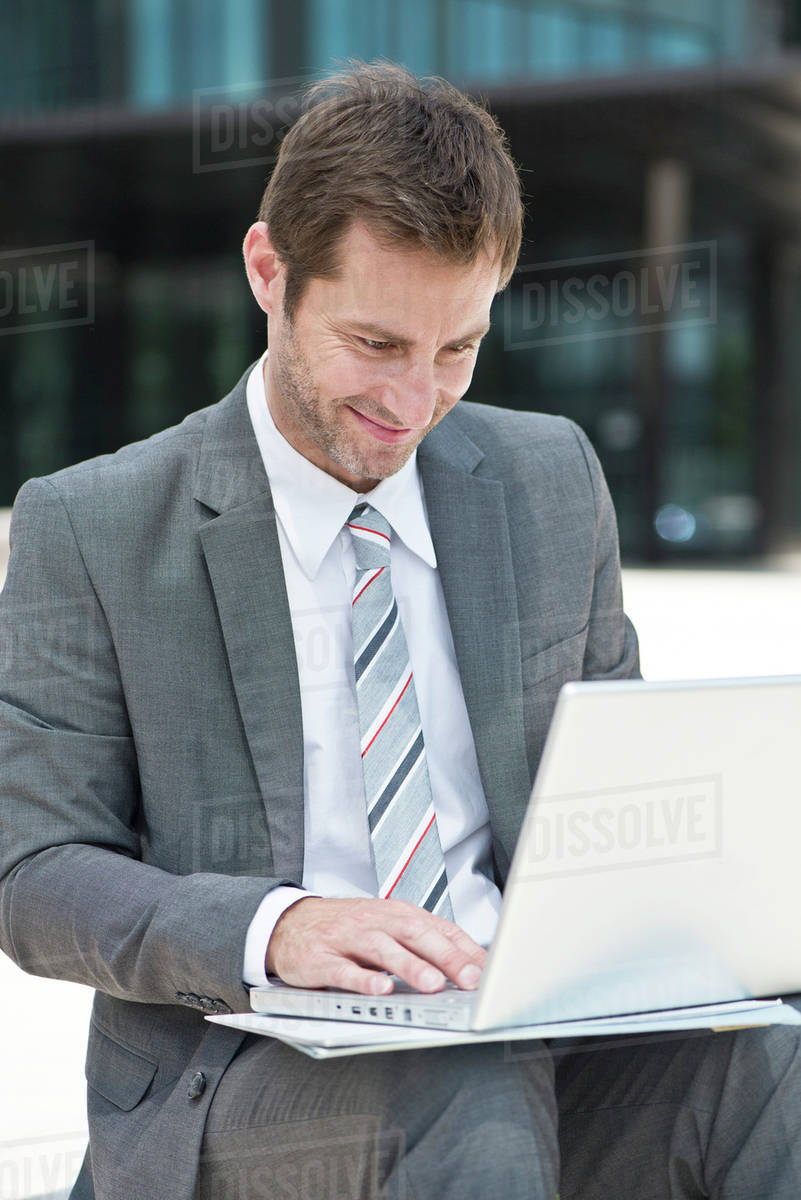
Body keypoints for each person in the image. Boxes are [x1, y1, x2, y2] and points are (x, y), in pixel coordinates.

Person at [1, 61, 800, 1200]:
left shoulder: (551, 480)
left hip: (539, 1034)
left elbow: (609, 814)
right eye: (376, 345)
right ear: (269, 272)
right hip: (246, 1071)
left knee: (773, 1063)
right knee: (459, 1096)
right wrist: (276, 927)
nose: (416, 402)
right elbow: (29, 873)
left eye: (459, 349)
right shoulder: (95, 524)